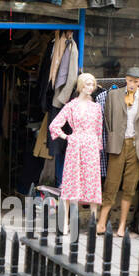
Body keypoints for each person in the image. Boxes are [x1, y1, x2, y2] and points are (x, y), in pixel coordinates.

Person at [97, 66, 139, 237]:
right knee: (111, 183)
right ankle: (101, 222)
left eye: (136, 82)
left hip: (136, 146)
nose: (132, 84)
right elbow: (107, 119)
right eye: (130, 80)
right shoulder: (113, 95)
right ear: (125, 79)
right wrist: (112, 139)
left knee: (130, 186)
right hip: (118, 145)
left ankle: (122, 225)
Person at [48, 72, 103, 211]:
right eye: (88, 84)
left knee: (91, 182)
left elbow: (99, 130)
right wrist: (67, 137)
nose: (91, 87)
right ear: (81, 85)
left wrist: (97, 147)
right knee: (71, 181)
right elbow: (54, 125)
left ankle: (92, 219)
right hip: (75, 146)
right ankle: (65, 221)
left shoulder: (96, 107)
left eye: (92, 84)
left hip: (91, 148)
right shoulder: (70, 106)